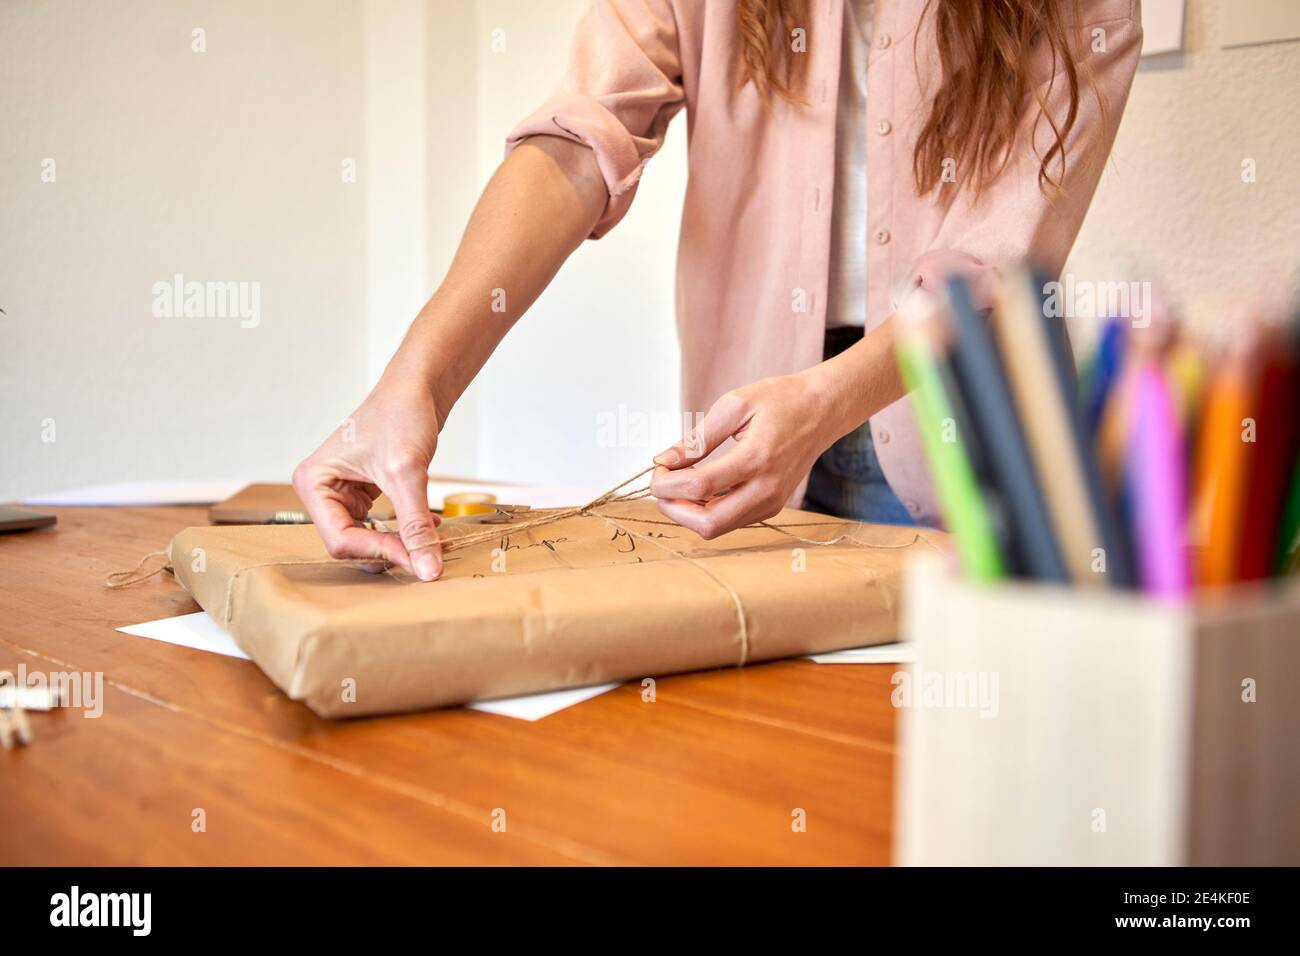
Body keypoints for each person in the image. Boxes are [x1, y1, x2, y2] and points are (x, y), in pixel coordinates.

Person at [293, 0, 1143, 581]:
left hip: (968, 437)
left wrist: (822, 406)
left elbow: (992, 264)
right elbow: (581, 139)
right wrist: (416, 384)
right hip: (755, 444)